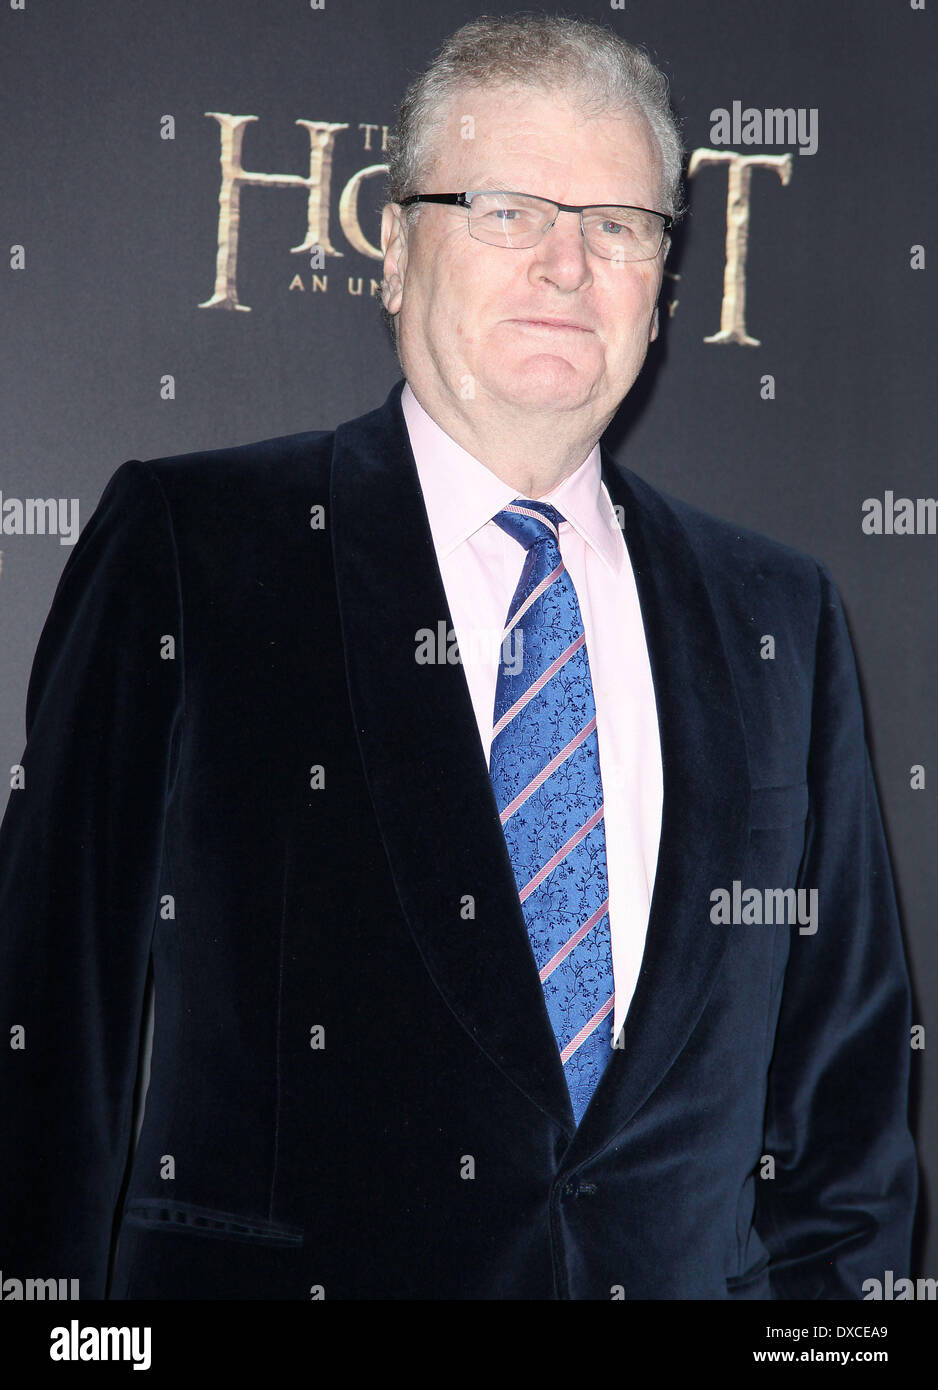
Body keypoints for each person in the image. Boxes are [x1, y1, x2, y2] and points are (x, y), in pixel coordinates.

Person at [0, 14, 916, 1300]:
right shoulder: (195, 547)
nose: (565, 263)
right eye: (503, 208)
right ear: (390, 246)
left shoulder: (775, 613)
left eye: (616, 225)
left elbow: (847, 1111)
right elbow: (45, 1044)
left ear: (660, 281)